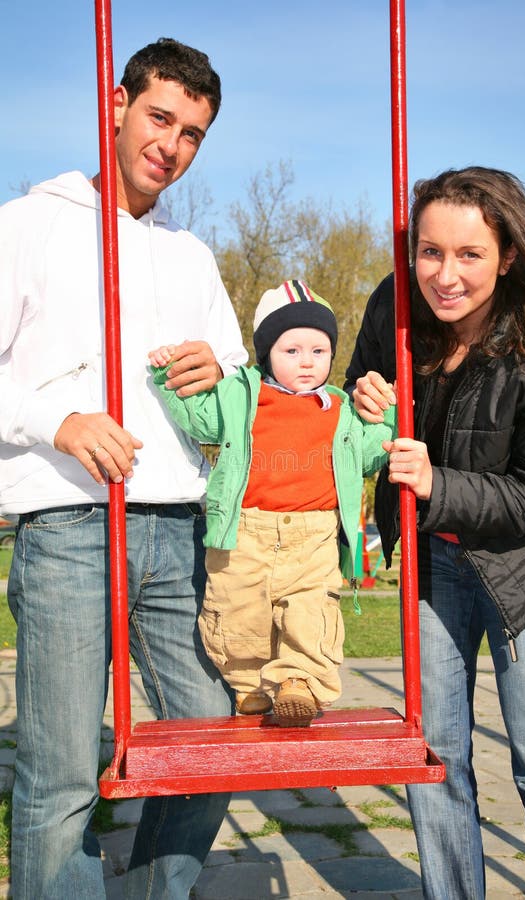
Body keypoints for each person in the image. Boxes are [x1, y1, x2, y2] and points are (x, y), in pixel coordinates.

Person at [0, 38, 248, 899]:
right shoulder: (27, 223)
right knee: (65, 772)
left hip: (176, 528)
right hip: (69, 527)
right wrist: (56, 419)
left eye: (193, 134)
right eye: (160, 117)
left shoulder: (193, 255)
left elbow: (237, 374)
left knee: (209, 738)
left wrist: (222, 374)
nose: (172, 145)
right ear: (115, 102)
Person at [345, 167, 525, 899]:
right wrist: (362, 397)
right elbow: (356, 402)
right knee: (433, 756)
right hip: (430, 561)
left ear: (507, 255)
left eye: (468, 255)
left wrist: (436, 483)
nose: (444, 275)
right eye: (430, 252)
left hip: (522, 570)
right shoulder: (395, 306)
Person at [148, 279, 397, 727]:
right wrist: (169, 377)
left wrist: (389, 418)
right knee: (238, 612)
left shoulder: (339, 408)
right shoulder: (242, 395)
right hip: (245, 532)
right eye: (292, 351)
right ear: (267, 354)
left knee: (311, 611)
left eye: (319, 352)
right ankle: (248, 687)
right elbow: (200, 418)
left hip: (315, 534)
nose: (307, 362)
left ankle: (298, 683)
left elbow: (369, 453)